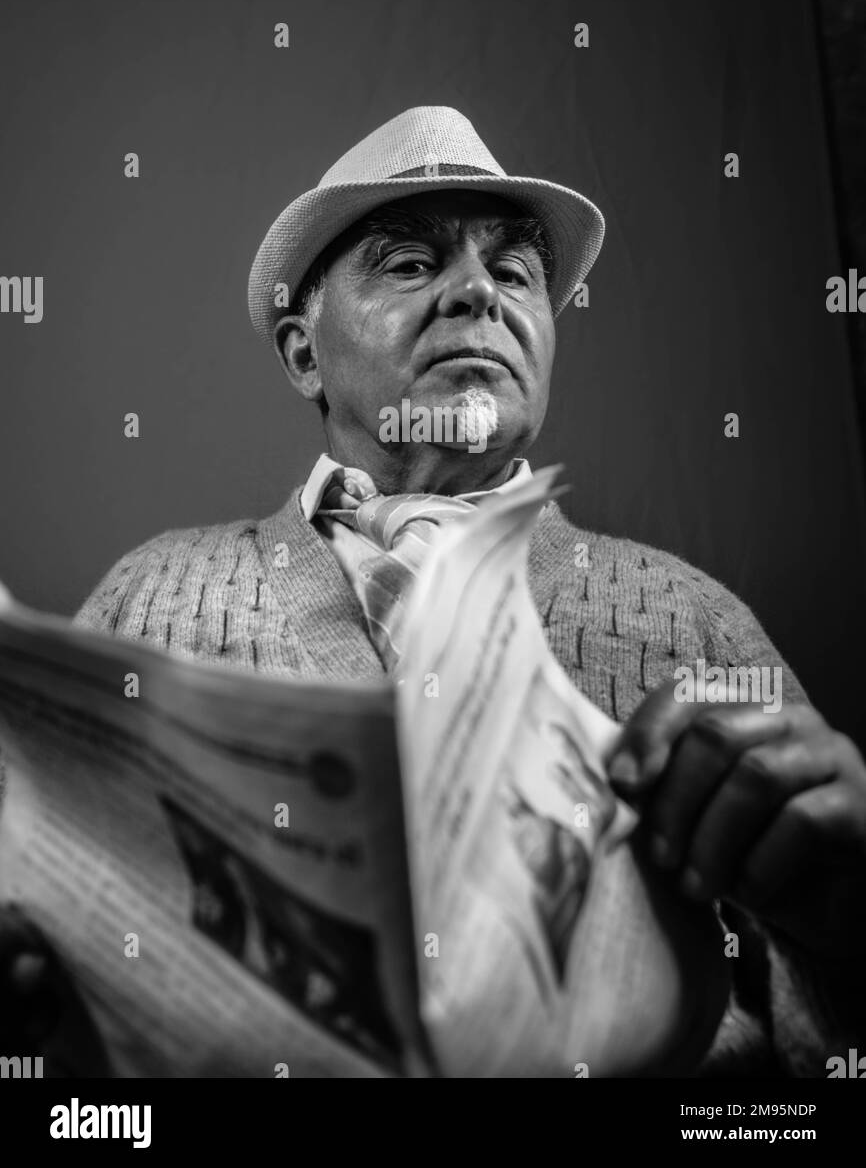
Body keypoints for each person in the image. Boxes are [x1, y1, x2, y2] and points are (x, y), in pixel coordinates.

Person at [2, 105, 865, 1077]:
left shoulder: (691, 616)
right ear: (301, 353)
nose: (475, 295)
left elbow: (833, 1063)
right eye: (410, 263)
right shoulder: (153, 592)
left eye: (512, 270)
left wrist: (840, 928)